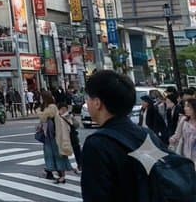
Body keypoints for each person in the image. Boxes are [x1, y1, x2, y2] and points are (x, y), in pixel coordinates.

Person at [81, 69, 168, 202]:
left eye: (88, 98)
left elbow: (96, 196)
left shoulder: (97, 144)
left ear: (97, 103)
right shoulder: (146, 134)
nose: (87, 103)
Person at [37, 90, 73, 184]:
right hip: (48, 135)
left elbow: (44, 116)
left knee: (58, 154)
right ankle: (55, 173)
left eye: (41, 97)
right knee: (50, 154)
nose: (40, 99)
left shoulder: (52, 107)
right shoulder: (46, 107)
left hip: (55, 135)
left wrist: (38, 111)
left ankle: (62, 176)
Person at [169, 98, 196, 163]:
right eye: (185, 106)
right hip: (184, 153)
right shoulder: (183, 120)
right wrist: (172, 139)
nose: (185, 108)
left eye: (188, 106)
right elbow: (177, 135)